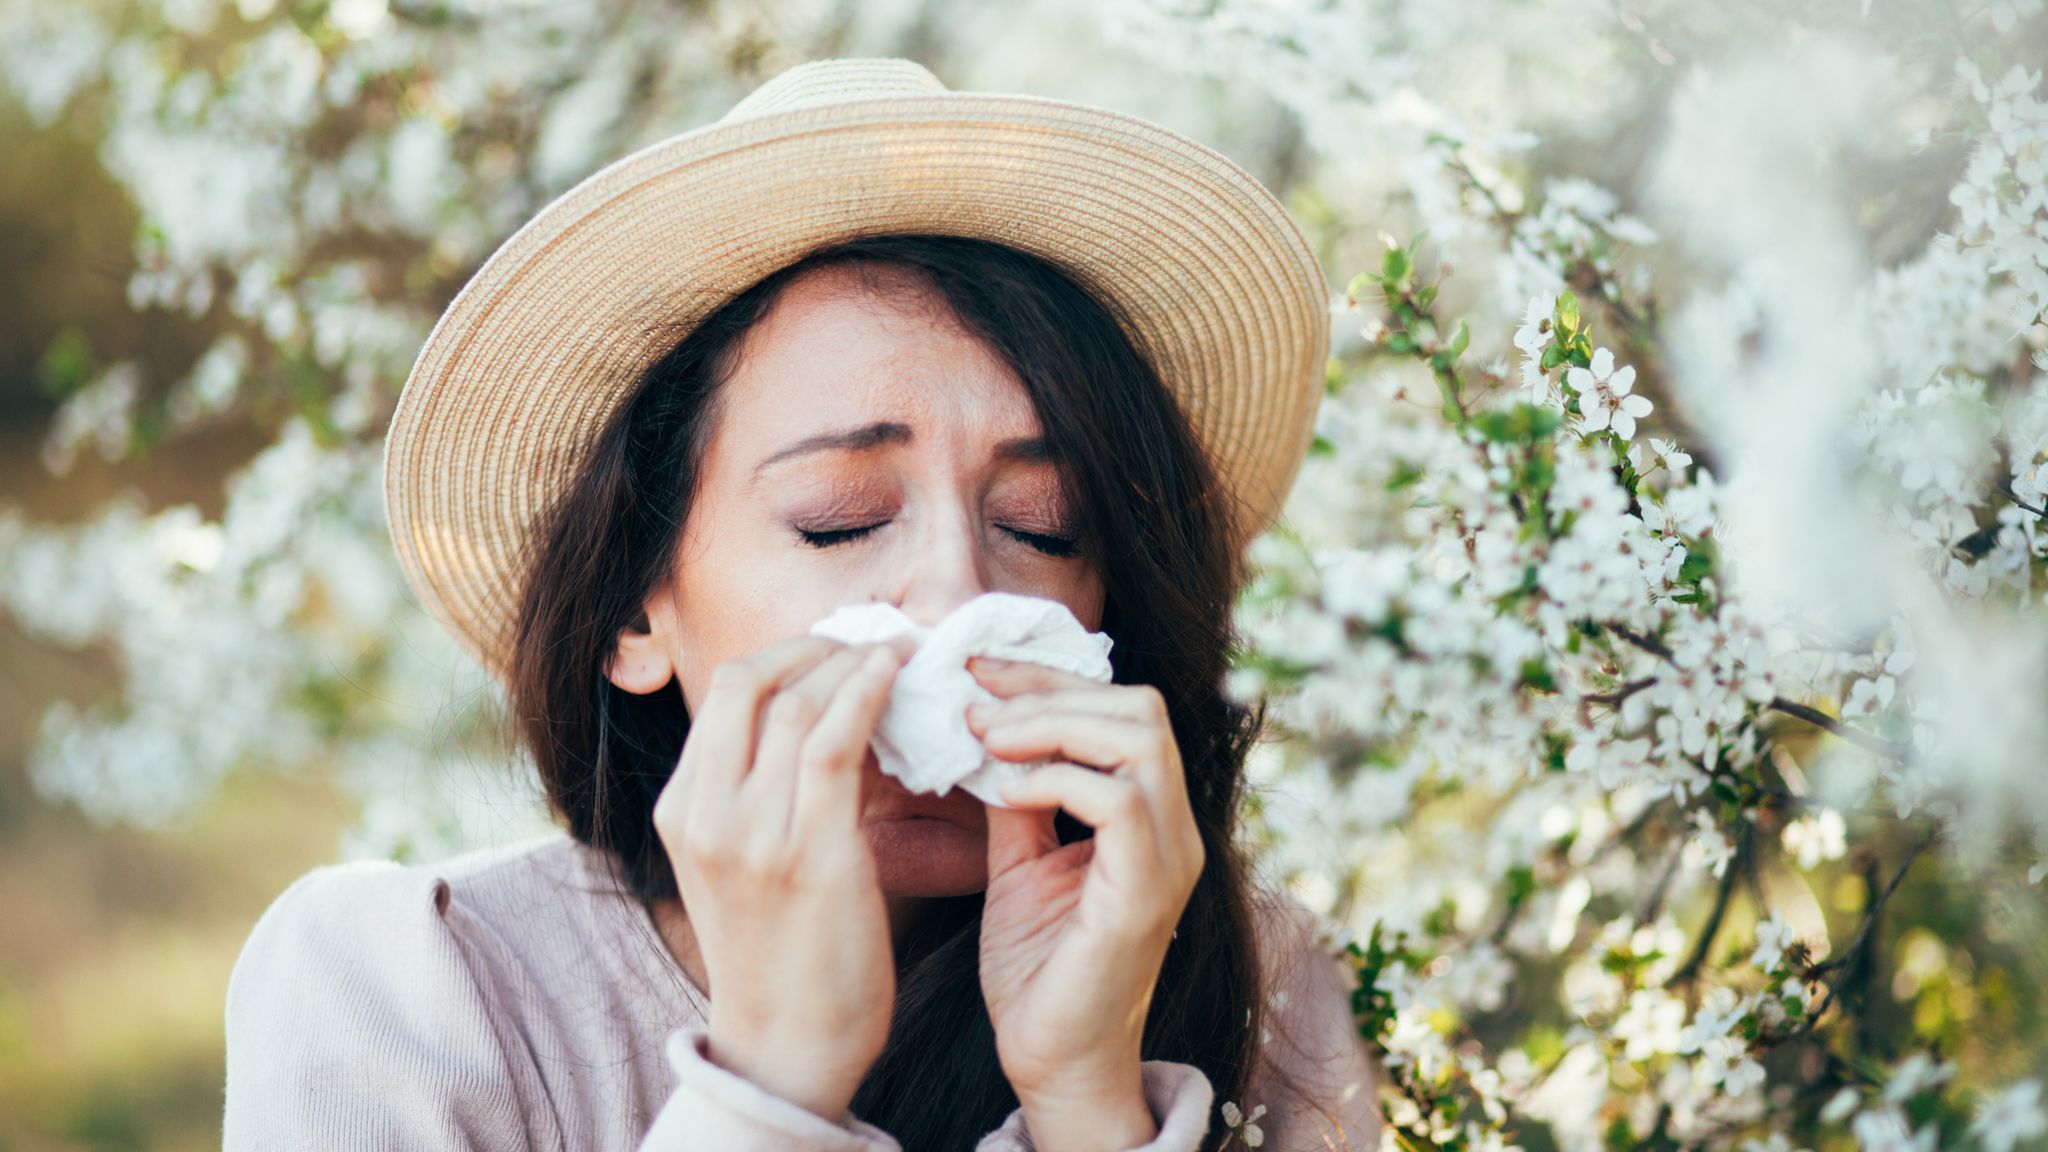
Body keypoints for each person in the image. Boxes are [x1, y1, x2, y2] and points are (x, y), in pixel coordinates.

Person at [222, 57, 1384, 1152]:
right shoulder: (400, 989)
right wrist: (769, 1084)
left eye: (1042, 527)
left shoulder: (1264, 995)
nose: (954, 596)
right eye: (838, 519)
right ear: (633, 610)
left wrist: (1086, 1099)